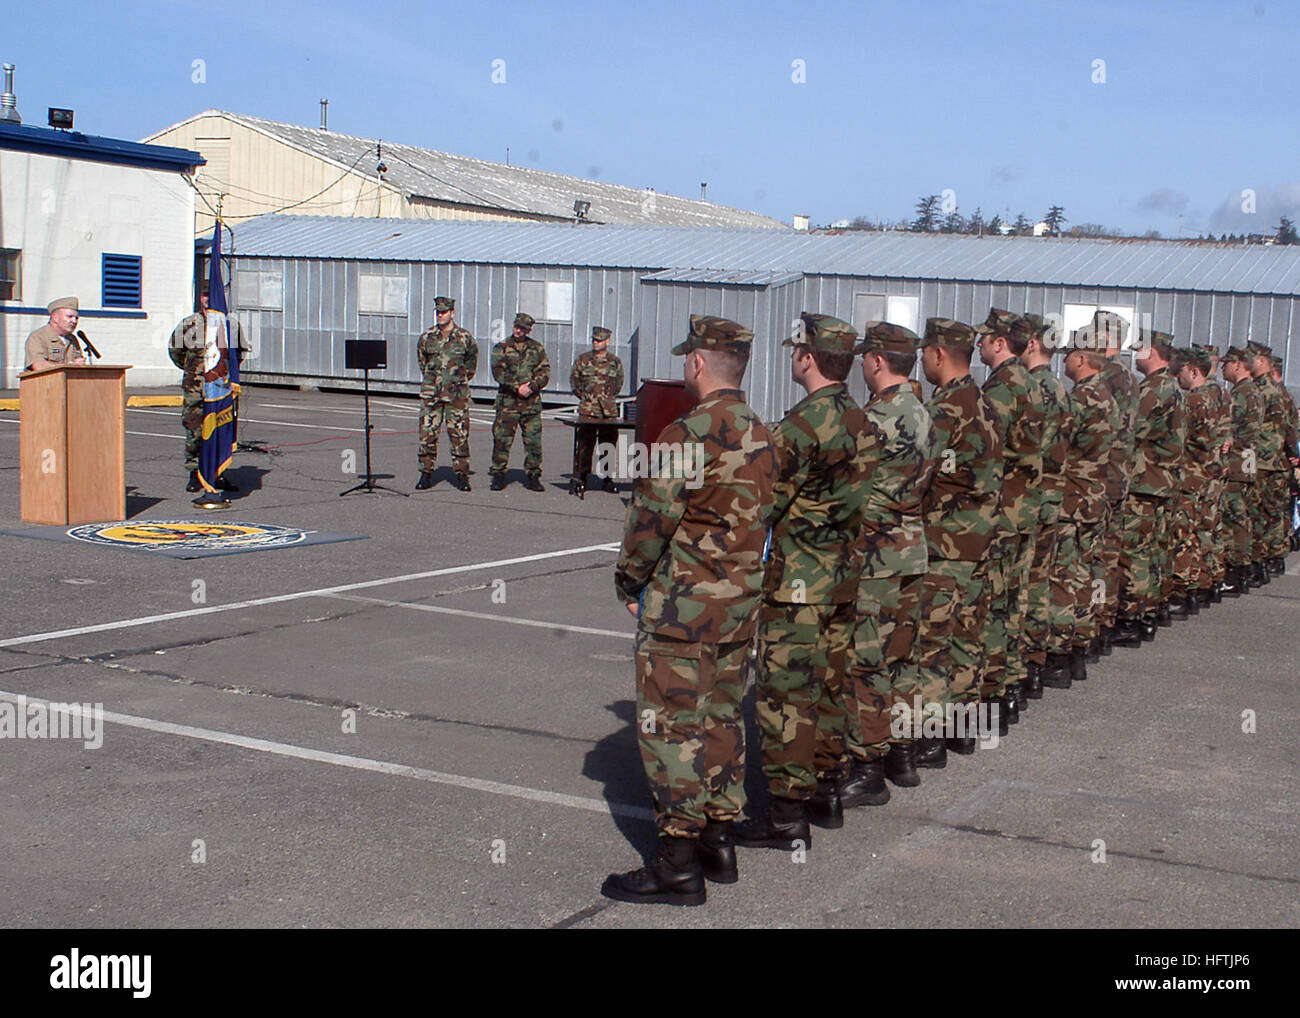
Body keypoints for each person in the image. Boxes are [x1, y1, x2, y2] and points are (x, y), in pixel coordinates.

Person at [603, 315, 776, 906]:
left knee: (673, 730)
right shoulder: (763, 432)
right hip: (738, 608)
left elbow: (650, 523)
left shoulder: (686, 434)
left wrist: (629, 582)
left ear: (698, 363)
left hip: (683, 610)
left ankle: (678, 863)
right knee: (723, 717)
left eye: (686, 359)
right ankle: (718, 841)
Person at [732, 313, 866, 850]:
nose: (793, 357)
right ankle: (825, 792)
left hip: (798, 583)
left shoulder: (800, 425)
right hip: (843, 577)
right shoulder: (861, 418)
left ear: (808, 358)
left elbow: (764, 500)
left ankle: (786, 813)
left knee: (786, 694)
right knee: (831, 686)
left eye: (796, 351)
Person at [843, 322, 937, 790]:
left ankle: (867, 765)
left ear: (877, 361)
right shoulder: (921, 411)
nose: (862, 364)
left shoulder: (876, 417)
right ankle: (902, 754)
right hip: (911, 548)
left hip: (877, 553)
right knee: (903, 658)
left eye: (865, 357)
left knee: (867, 659)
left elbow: (851, 488)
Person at [915, 318, 1002, 763]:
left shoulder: (947, 410)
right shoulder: (984, 403)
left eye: (925, 352)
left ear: (938, 354)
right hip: (979, 543)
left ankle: (930, 739)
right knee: (970, 636)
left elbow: (918, 476)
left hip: (945, 545)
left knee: (934, 643)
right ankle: (963, 729)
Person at [975, 309, 1044, 726]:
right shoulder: (1033, 384)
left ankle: (993, 695)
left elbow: (986, 451)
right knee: (1014, 601)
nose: (980, 345)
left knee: (994, 606)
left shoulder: (1003, 388)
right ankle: (1011, 686)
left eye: (985, 338)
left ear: (1000, 342)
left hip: (1004, 512)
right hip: (1027, 509)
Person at [1116, 333, 1186, 641]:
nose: (1136, 357)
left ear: (1154, 353)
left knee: (1135, 554)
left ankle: (1133, 617)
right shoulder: (1172, 388)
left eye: (1140, 352)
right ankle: (1150, 610)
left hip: (1145, 482)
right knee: (1156, 551)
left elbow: (1133, 429)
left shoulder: (1154, 390)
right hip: (1162, 481)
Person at [1059, 345, 1116, 678]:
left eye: (1069, 355)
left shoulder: (1081, 398)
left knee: (1068, 575)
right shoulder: (1107, 393)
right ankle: (1086, 638)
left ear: (1081, 359)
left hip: (1073, 498)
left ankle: (1069, 646)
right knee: (1092, 570)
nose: (1064, 360)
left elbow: (1058, 445)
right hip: (1095, 495)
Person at [416, 296, 478, 492]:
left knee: (459, 435)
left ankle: (461, 475)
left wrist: (456, 381)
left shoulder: (464, 337)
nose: (440, 315)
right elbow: (423, 363)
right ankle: (426, 474)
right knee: (427, 435)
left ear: (452, 313)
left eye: (444, 312)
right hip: (431, 394)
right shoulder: (427, 337)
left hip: (456, 396)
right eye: (438, 312)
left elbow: (471, 364)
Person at [1220, 347, 1264, 595]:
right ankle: (1242, 569)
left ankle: (1235, 572)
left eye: (1226, 363)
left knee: (1232, 517)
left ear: (1238, 364)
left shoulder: (1241, 393)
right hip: (1247, 459)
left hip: (1236, 460)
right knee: (1241, 515)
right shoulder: (1254, 391)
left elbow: (1229, 428)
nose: (1222, 368)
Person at [489, 312, 550, 491]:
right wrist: (517, 387)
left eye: (522, 328)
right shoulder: (502, 347)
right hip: (508, 403)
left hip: (530, 404)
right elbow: (498, 372)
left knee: (533, 442)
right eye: (516, 327)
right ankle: (499, 475)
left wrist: (532, 386)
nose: (518, 331)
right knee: (502, 441)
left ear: (528, 330)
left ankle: (533, 475)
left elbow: (544, 372)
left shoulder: (537, 349)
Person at [569, 326, 624, 492]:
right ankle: (582, 478)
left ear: (607, 341)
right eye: (594, 340)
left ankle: (607, 479)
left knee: (608, 446)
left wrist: (606, 399)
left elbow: (618, 385)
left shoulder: (615, 362)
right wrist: (587, 398)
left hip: (608, 412)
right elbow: (574, 382)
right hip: (588, 410)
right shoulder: (583, 360)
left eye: (599, 340)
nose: (596, 343)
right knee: (585, 445)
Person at [24, 297, 86, 372]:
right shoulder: (38, 337)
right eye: (69, 317)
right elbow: (38, 365)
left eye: (76, 318)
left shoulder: (72, 340)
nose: (74, 321)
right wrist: (70, 366)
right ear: (55, 317)